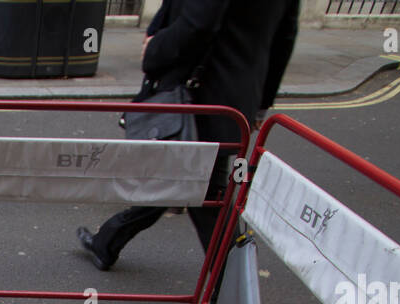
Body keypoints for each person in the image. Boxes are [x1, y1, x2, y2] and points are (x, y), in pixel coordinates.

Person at [76, 0, 300, 271]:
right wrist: (260, 104)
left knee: (207, 200)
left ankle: (229, 298)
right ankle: (106, 243)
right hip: (237, 96)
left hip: (201, 95)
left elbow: (199, 24)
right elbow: (284, 38)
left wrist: (154, 50)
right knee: (175, 180)